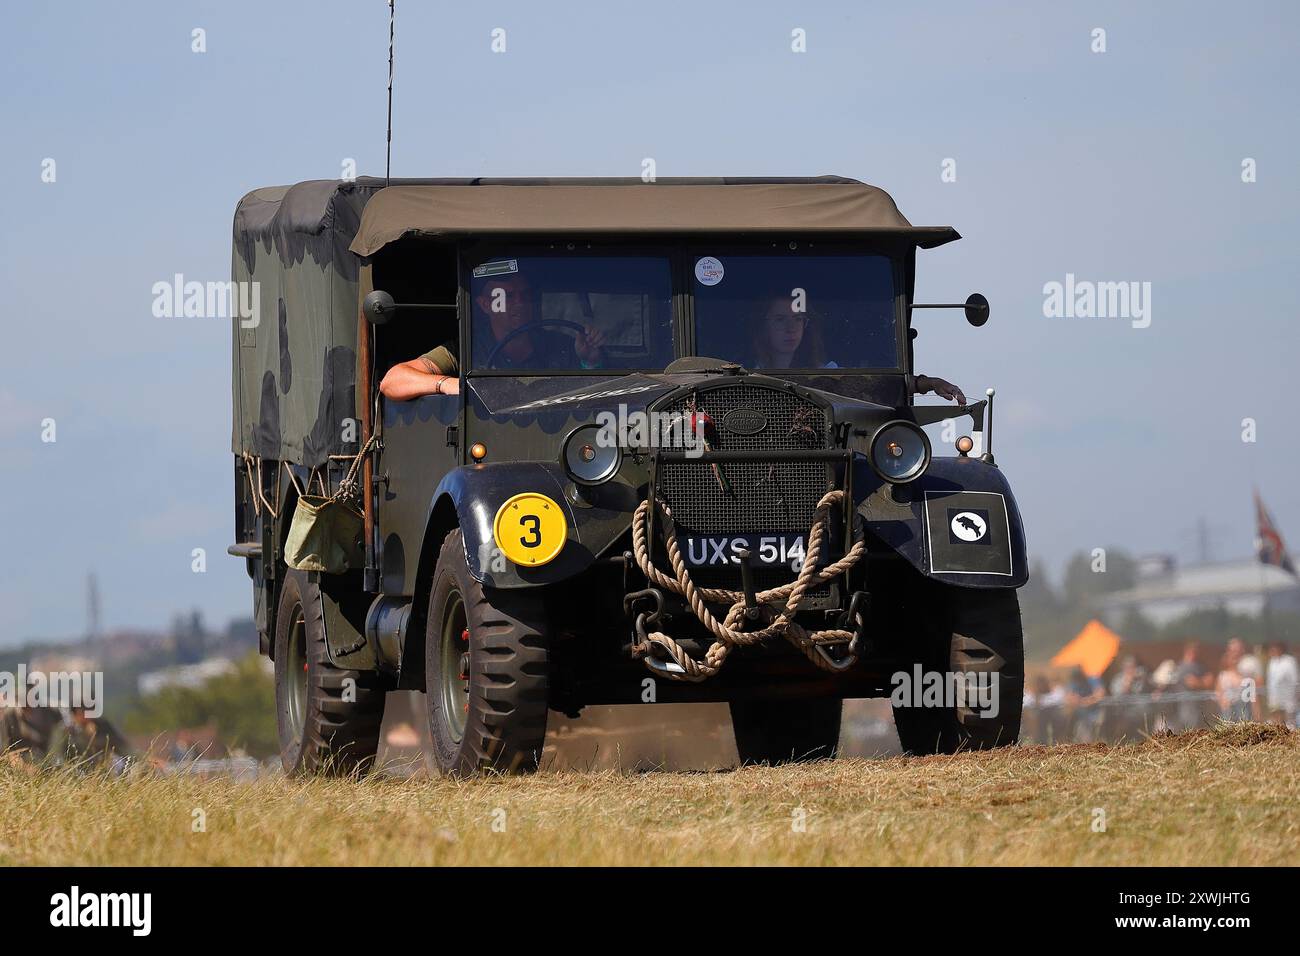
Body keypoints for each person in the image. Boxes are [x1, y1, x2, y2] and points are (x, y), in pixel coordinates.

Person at [379, 272, 607, 401]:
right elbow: (393, 381)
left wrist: (589, 360)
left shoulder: (562, 346)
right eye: (507, 296)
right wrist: (447, 384)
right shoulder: (465, 350)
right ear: (485, 304)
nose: (519, 303)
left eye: (525, 295)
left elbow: (599, 392)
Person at [1265, 641, 1297, 727]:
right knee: (1275, 721)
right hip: (1275, 698)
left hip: (1288, 698)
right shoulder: (1272, 662)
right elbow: (1270, 682)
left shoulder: (1289, 661)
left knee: (1290, 722)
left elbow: (1294, 680)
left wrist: (1293, 695)